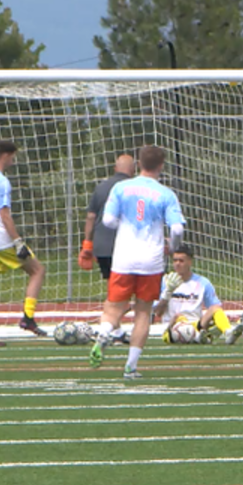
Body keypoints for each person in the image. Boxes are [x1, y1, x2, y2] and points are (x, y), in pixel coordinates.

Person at [89, 145, 185, 379]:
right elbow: (177, 228)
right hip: (150, 261)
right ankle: (131, 367)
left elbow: (109, 220)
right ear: (161, 166)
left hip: (123, 257)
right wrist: (172, 246)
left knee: (113, 308)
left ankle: (104, 331)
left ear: (138, 164)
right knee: (143, 313)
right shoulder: (166, 194)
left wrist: (124, 221)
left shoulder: (121, 188)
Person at [0, 140, 48, 346]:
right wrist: (18, 242)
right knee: (38, 271)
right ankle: (28, 318)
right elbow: (4, 215)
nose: (13, 161)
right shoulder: (1, 181)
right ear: (5, 155)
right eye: (13, 157)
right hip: (1, 239)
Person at [153, 245, 243, 345]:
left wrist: (213, 321)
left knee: (215, 308)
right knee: (178, 316)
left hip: (196, 325)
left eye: (181, 261)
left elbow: (215, 306)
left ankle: (228, 332)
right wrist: (167, 293)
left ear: (190, 262)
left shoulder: (203, 283)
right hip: (172, 328)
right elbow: (158, 312)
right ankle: (202, 337)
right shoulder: (165, 282)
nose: (177, 264)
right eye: (175, 260)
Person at [80, 153, 136, 279]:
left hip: (103, 247)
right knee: (131, 286)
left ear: (115, 169)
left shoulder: (101, 187)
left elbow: (91, 217)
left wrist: (87, 243)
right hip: (128, 246)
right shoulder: (135, 188)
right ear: (133, 170)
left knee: (112, 285)